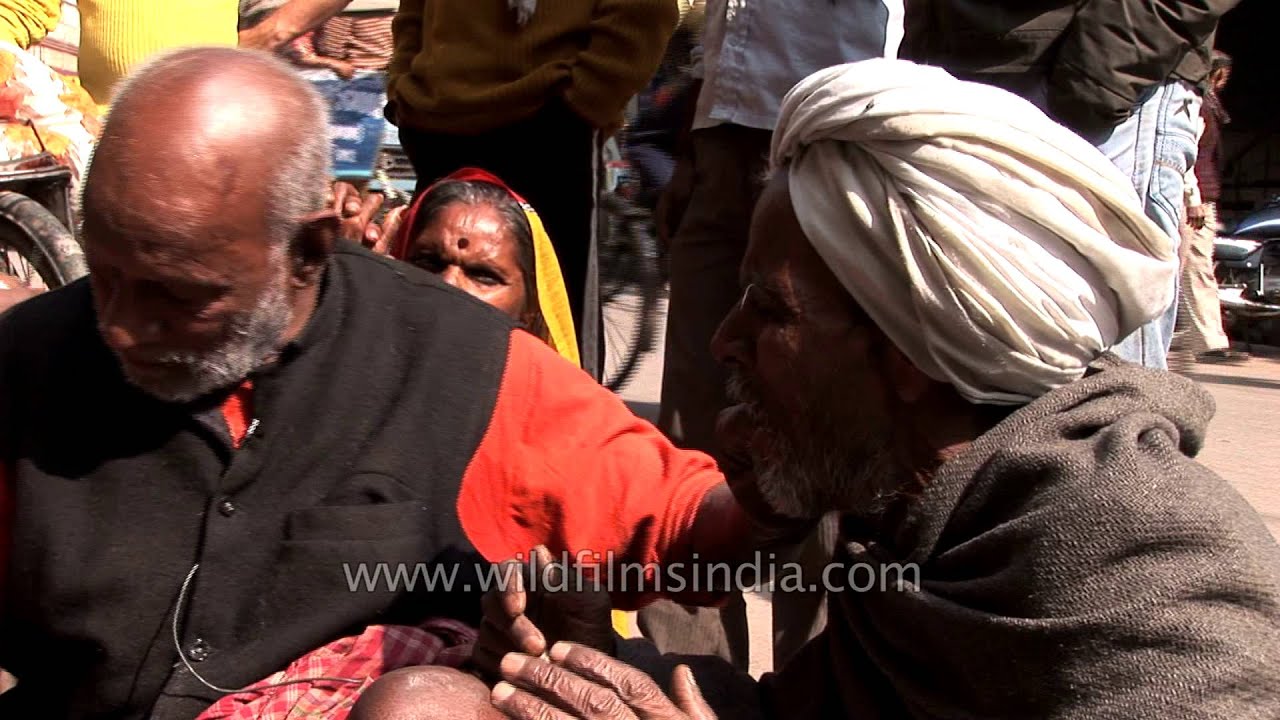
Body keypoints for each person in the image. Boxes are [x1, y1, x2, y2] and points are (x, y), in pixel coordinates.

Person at [0, 47, 789, 719]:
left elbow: (686, 525)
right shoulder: (28, 364)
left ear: (307, 251)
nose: (123, 326)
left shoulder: (463, 363)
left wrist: (797, 459)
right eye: (103, 277)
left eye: (180, 294)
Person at [479, 59, 1280, 719]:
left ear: (910, 351)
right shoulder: (919, 514)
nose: (725, 341)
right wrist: (598, 656)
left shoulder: (1157, 578)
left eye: (771, 310)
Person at [648, 0, 903, 673]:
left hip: (842, 134)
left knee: (814, 430)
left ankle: (813, 680)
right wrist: (694, 145)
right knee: (692, 434)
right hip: (722, 136)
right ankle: (694, 680)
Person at [900, 0, 1240, 370]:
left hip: (1095, 79)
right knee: (971, 365)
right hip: (959, 74)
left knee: (1105, 386)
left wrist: (1106, 69)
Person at [385, 0, 680, 374]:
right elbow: (414, 11)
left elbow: (643, 13)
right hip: (435, 127)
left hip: (548, 131)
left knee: (553, 332)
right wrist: (403, 95)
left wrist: (581, 104)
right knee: (426, 310)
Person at [385, 167, 579, 367]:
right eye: (428, 263)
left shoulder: (563, 397)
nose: (448, 284)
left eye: (483, 276)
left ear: (530, 310)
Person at [1183, 51, 1246, 364]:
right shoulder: (1198, 105)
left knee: (1186, 268)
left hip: (1200, 195)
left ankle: (1186, 337)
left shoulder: (1206, 105)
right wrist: (1193, 198)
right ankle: (1209, 341)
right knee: (1198, 268)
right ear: (1215, 76)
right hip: (1195, 199)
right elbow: (1187, 154)